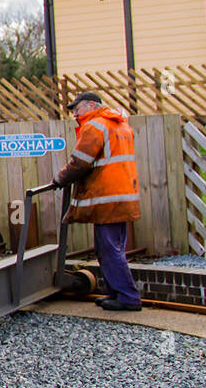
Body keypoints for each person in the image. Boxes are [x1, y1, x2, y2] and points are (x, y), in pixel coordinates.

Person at [53, 91, 143, 311]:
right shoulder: (119, 125)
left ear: (92, 105)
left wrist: (59, 179)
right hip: (122, 197)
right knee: (112, 248)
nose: (75, 114)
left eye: (78, 109)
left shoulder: (96, 126)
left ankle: (127, 297)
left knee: (109, 249)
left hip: (107, 199)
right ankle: (115, 294)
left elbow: (80, 162)